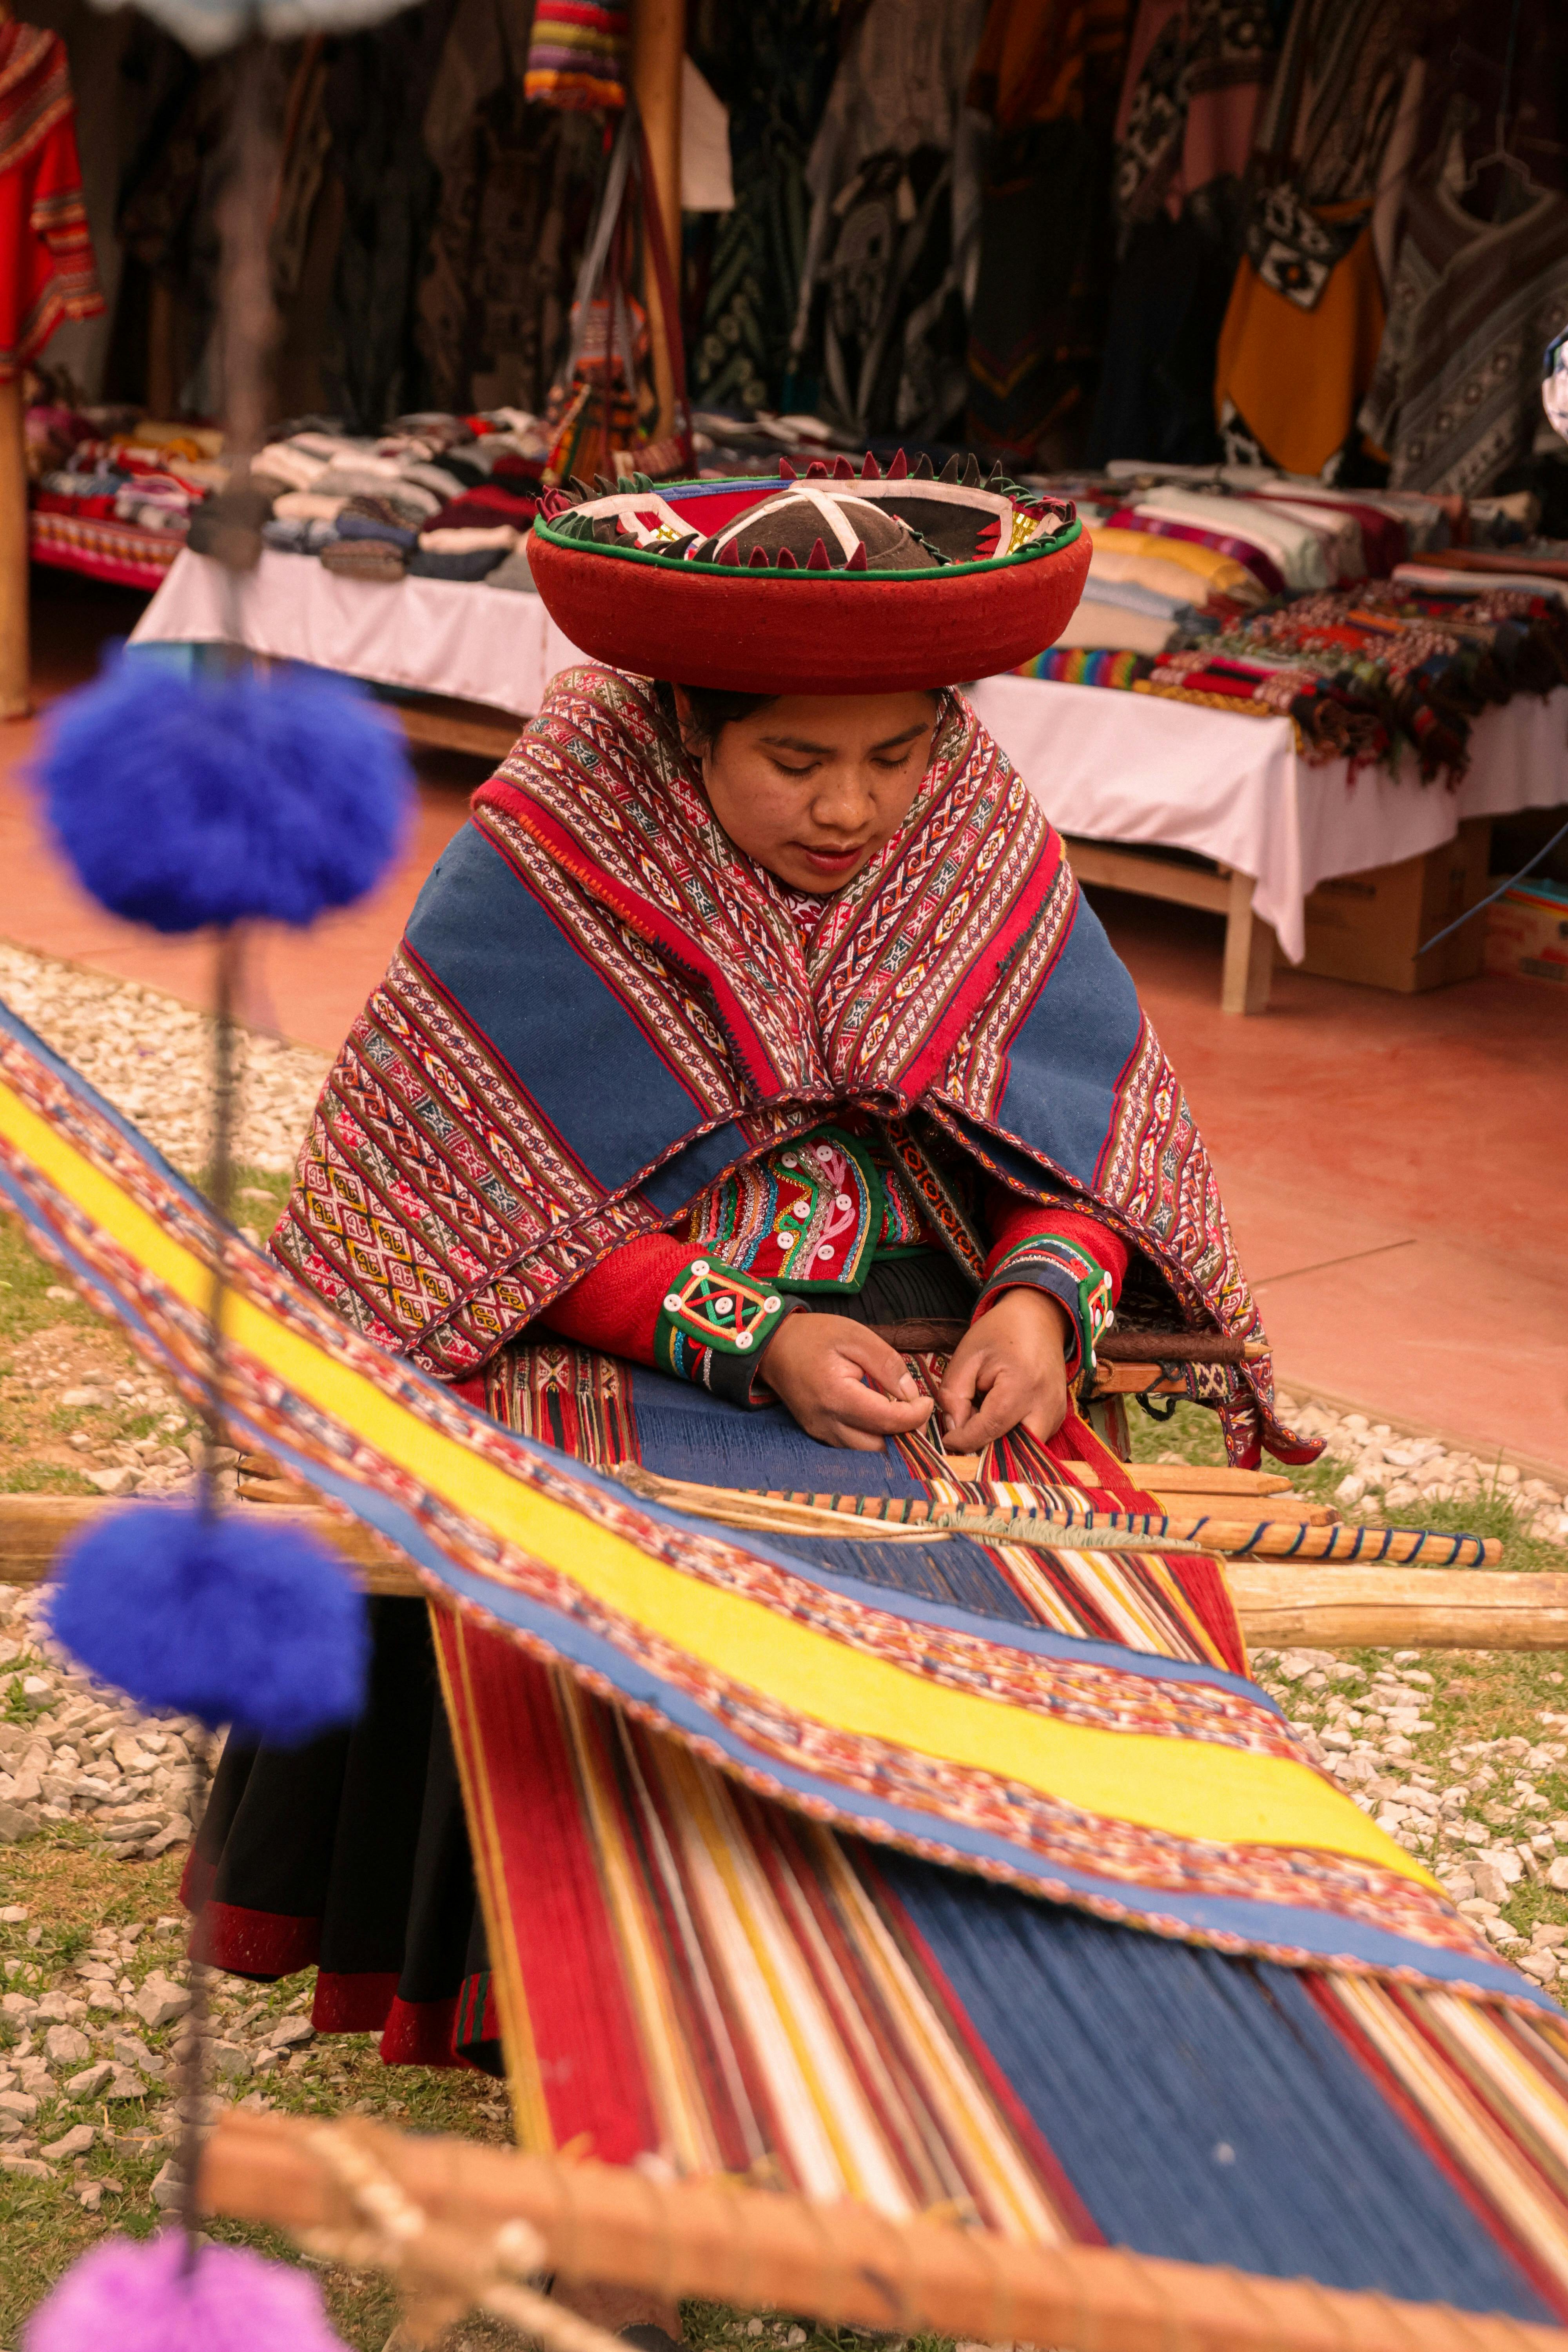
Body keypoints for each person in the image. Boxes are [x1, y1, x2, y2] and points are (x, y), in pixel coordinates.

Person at [189, 462, 1307, 2290]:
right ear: (685, 724)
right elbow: (464, 1187)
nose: (854, 809)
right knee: (624, 1670)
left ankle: (939, 2085)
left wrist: (1042, 1301)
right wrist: (748, 1331)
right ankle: (636, 2142)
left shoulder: (974, 832)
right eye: (795, 762)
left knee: (1053, 1619)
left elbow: (1088, 1141)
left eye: (893, 756)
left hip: (933, 1380)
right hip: (614, 1358)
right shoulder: (558, 840)